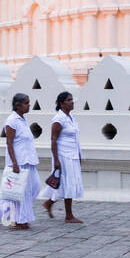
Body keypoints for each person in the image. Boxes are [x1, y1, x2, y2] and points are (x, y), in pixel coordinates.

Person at [0, 93, 40, 230]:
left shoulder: (23, 120)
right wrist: (14, 163)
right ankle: (17, 220)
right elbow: (9, 143)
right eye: (26, 103)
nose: (29, 105)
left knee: (34, 188)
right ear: (17, 105)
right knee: (20, 193)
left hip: (29, 161)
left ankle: (21, 217)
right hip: (18, 162)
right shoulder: (12, 121)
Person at [43, 92, 84, 223]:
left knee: (68, 184)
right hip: (63, 155)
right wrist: (56, 160)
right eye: (69, 100)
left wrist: (79, 154)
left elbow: (75, 138)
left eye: (72, 99)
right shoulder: (58, 119)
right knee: (68, 183)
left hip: (73, 155)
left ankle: (49, 203)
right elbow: (53, 139)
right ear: (62, 103)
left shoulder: (71, 117)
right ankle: (69, 215)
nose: (72, 102)